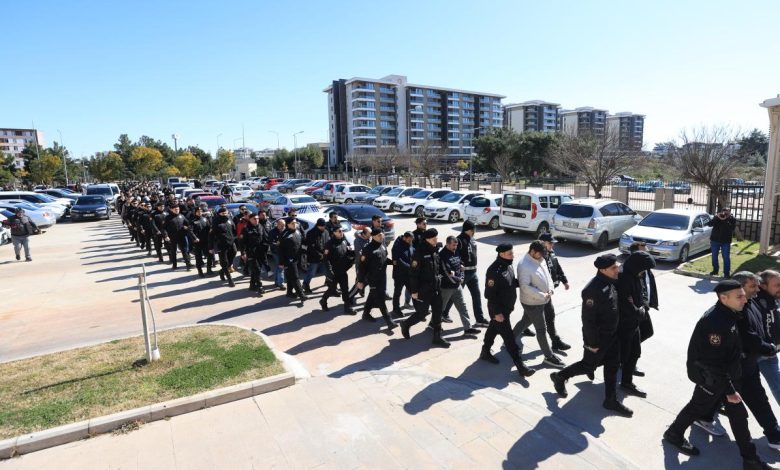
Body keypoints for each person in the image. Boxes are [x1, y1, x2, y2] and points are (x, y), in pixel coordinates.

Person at [662, 280, 770, 469]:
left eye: (744, 294)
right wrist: (729, 390)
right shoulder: (716, 323)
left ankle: (751, 460)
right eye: (740, 296)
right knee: (697, 407)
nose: (745, 300)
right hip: (712, 377)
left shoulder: (730, 313)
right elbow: (712, 362)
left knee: (737, 416)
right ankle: (673, 434)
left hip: (724, 376)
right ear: (723, 298)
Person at [551, 254, 633, 417]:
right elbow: (588, 321)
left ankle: (610, 400)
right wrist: (592, 343)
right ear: (603, 270)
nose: (618, 270)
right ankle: (560, 376)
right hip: (598, 339)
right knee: (587, 366)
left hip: (612, 335)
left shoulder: (610, 281)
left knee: (612, 366)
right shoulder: (592, 290)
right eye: (614, 268)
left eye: (617, 266)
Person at [730, 272, 780, 449]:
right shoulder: (737, 309)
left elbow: (764, 328)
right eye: (753, 286)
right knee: (713, 396)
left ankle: (774, 435)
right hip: (740, 363)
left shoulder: (753, 302)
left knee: (759, 398)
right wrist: (768, 347)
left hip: (754, 359)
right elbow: (749, 336)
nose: (757, 289)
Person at [478, 243, 535, 377]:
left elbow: (510, 282)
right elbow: (489, 295)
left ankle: (485, 351)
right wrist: (497, 313)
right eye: (509, 253)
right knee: (509, 338)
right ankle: (520, 366)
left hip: (506, 309)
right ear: (501, 254)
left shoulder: (508, 265)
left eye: (512, 253)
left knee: (493, 329)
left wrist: (523, 283)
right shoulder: (494, 271)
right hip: (499, 311)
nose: (512, 255)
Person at [512, 240, 564, 368]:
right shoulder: (524, 265)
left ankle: (510, 340)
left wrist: (551, 288)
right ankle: (549, 356)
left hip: (543, 299)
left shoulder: (539, 259)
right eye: (540, 254)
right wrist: (542, 295)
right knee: (541, 329)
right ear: (532, 251)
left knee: (525, 321)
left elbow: (548, 276)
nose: (542, 257)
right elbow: (525, 287)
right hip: (532, 302)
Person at [615, 250, 656, 399]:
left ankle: (626, 382)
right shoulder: (623, 278)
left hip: (635, 322)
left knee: (635, 352)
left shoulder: (637, 275)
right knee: (624, 354)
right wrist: (639, 311)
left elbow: (643, 293)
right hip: (625, 323)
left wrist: (644, 306)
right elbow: (626, 303)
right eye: (643, 269)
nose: (644, 272)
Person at [399, 228, 449, 347]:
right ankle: (406, 324)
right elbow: (413, 274)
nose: (436, 240)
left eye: (436, 238)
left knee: (437, 312)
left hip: (436, 288)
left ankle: (437, 337)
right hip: (423, 290)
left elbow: (438, 268)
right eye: (434, 239)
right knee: (422, 313)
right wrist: (414, 291)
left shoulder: (435, 250)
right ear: (427, 239)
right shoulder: (419, 253)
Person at [355, 228, 396, 333]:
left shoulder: (382, 246)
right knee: (380, 299)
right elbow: (362, 267)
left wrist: (394, 263)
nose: (381, 237)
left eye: (381, 235)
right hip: (373, 278)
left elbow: (384, 259)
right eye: (378, 235)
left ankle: (365, 314)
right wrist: (360, 281)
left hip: (382, 277)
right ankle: (389, 321)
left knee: (373, 295)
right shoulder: (367, 249)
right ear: (373, 236)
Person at [439, 235, 479, 336]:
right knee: (440, 308)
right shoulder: (442, 255)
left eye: (456, 245)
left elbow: (459, 262)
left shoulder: (456, 251)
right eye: (453, 245)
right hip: (447, 287)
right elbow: (447, 273)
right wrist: (459, 280)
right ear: (447, 244)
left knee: (463, 307)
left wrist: (461, 265)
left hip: (457, 286)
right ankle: (434, 324)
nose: (455, 247)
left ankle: (468, 328)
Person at [453, 220, 489, 326]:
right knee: (454, 295)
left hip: (473, 273)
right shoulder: (458, 240)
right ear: (470, 230)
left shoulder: (472, 239)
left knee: (476, 295)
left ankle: (479, 319)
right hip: (464, 274)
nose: (475, 230)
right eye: (474, 229)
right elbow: (455, 255)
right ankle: (442, 315)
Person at [539, 233, 570, 350]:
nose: (552, 245)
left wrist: (564, 281)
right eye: (550, 243)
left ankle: (517, 333)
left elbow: (558, 267)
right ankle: (555, 341)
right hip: (542, 293)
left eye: (553, 243)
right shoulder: (538, 256)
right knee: (549, 315)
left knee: (528, 317)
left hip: (548, 291)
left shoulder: (551, 253)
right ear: (542, 243)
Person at [756, 269, 780, 404]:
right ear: (763, 286)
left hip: (770, 352)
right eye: (777, 285)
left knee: (778, 385)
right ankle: (706, 412)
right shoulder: (755, 302)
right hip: (753, 354)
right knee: (729, 384)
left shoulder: (774, 300)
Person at [320, 225, 355, 314]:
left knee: (345, 289)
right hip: (334, 271)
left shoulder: (344, 240)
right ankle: (323, 300)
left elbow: (347, 251)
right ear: (334, 233)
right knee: (332, 289)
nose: (341, 232)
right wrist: (330, 271)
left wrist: (351, 255)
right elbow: (326, 259)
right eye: (339, 231)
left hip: (342, 270)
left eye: (342, 231)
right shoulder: (329, 244)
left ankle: (347, 308)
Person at [209, 206, 237, 287]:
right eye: (222, 213)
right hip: (221, 245)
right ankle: (230, 279)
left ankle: (222, 271)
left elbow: (234, 230)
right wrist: (211, 247)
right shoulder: (216, 222)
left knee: (233, 254)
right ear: (219, 214)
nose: (224, 214)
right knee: (224, 262)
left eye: (225, 213)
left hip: (231, 243)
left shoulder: (230, 220)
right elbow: (211, 236)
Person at [279, 217, 307, 301]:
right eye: (292, 223)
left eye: (295, 223)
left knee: (290, 276)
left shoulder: (298, 231)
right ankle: (301, 295)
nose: (295, 224)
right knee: (295, 277)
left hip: (298, 258)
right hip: (289, 260)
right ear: (287, 225)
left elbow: (301, 243)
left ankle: (289, 292)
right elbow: (280, 250)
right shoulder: (284, 235)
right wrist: (282, 262)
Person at [707, 206, 737, 278]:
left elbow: (731, 228)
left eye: (727, 212)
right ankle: (715, 270)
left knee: (726, 257)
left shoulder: (732, 219)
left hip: (725, 241)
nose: (725, 214)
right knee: (714, 256)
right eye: (724, 212)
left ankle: (726, 273)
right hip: (715, 240)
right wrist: (717, 217)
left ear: (730, 213)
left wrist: (725, 219)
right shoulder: (717, 217)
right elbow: (709, 224)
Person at [242, 213, 268, 296]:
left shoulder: (260, 226)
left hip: (260, 252)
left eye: (257, 218)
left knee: (256, 269)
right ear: (250, 219)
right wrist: (243, 253)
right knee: (257, 269)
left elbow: (265, 237)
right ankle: (260, 287)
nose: (256, 220)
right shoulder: (246, 229)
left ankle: (252, 285)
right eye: (254, 219)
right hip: (251, 253)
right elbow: (242, 243)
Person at [162, 205, 194, 271]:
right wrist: (166, 236)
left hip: (181, 236)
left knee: (184, 250)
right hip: (172, 237)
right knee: (173, 251)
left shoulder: (181, 216)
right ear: (172, 210)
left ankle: (188, 265)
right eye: (175, 209)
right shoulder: (168, 217)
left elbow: (188, 224)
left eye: (178, 209)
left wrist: (187, 227)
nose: (177, 210)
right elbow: (163, 228)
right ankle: (174, 264)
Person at [302, 218, 330, 294]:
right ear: (318, 225)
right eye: (322, 226)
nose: (323, 228)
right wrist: (320, 255)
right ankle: (305, 285)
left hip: (325, 256)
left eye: (324, 226)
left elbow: (328, 243)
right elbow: (311, 247)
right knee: (312, 272)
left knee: (327, 270)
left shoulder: (326, 232)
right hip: (314, 257)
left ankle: (330, 283)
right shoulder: (310, 233)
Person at [391, 231, 414, 318]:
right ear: (404, 238)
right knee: (397, 293)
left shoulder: (410, 244)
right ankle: (396, 310)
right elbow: (398, 260)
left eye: (411, 240)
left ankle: (420, 311)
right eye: (409, 240)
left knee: (413, 291)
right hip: (399, 274)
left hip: (409, 274)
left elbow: (413, 253)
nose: (410, 242)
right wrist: (410, 267)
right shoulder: (397, 246)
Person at [190, 206, 213, 278]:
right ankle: (200, 272)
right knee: (198, 257)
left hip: (206, 241)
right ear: (195, 212)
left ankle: (209, 270)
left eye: (201, 211)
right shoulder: (192, 221)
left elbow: (209, 228)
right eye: (198, 211)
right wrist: (195, 238)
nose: (200, 212)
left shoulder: (205, 219)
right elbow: (190, 231)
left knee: (210, 255)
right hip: (198, 242)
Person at [268, 218, 287, 290]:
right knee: (281, 267)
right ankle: (281, 283)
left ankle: (276, 282)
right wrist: (277, 244)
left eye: (284, 225)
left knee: (278, 267)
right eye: (281, 225)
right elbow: (271, 242)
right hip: (276, 252)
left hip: (284, 252)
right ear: (277, 225)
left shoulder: (285, 231)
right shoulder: (272, 232)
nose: (283, 227)